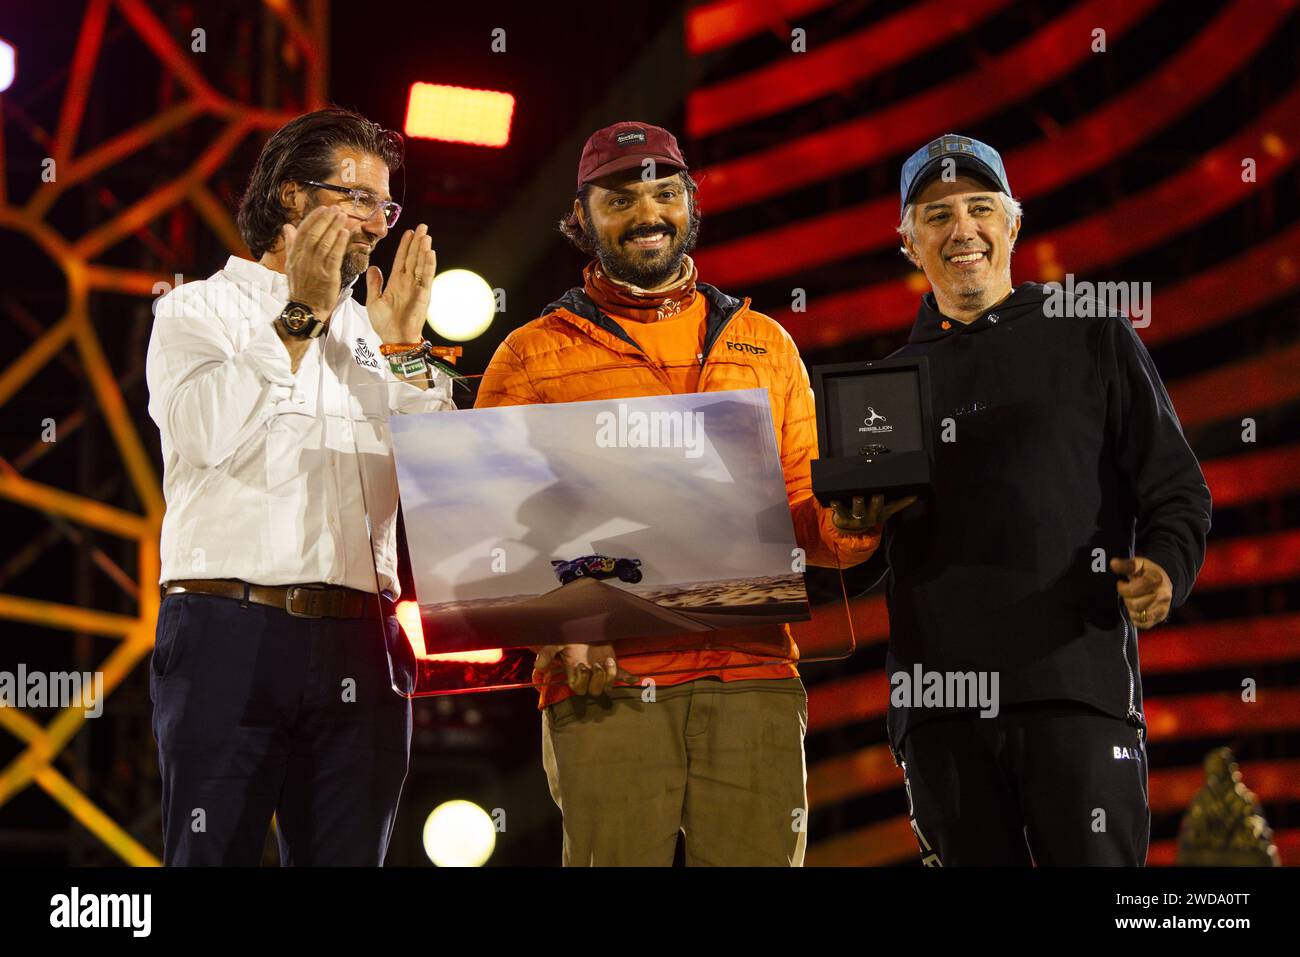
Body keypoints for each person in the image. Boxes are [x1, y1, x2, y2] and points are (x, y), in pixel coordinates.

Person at [475, 121, 905, 866]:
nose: (648, 213)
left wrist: (856, 521)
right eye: (620, 198)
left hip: (755, 677)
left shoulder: (765, 342)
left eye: (665, 192)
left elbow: (814, 525)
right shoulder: (530, 354)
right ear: (581, 218)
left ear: (691, 203)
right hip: (602, 683)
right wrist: (555, 624)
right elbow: (489, 536)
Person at [860, 133, 1212, 865]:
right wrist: (851, 532)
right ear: (907, 242)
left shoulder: (1092, 335)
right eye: (936, 214)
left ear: (1013, 224)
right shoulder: (883, 388)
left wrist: (1166, 568)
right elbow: (862, 557)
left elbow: (1175, 487)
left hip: (1076, 695)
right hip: (941, 712)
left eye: (980, 207)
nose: (962, 229)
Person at [145, 107, 454, 865]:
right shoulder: (195, 308)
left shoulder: (378, 335)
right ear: (289, 197)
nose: (375, 223)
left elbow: (445, 472)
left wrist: (409, 348)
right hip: (228, 627)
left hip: (364, 639)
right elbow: (206, 433)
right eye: (355, 198)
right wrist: (301, 315)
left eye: (385, 205)